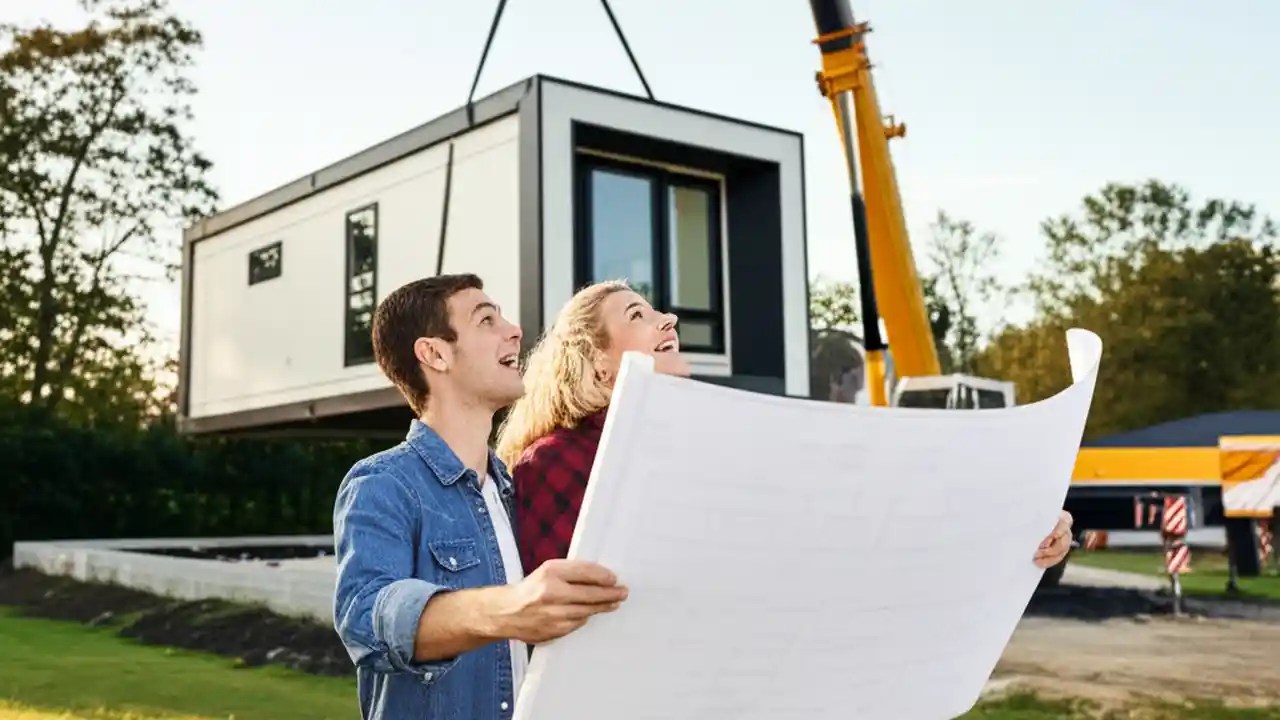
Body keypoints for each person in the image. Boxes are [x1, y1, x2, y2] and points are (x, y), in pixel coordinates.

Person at [494, 279, 1076, 575]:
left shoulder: (713, 450)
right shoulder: (554, 462)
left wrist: (1021, 526)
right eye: (638, 315)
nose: (668, 317)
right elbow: (557, 624)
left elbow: (863, 523)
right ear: (597, 360)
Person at [332, 273, 628, 720]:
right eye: (486, 319)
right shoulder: (383, 483)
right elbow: (366, 615)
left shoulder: (516, 489)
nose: (514, 330)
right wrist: (508, 609)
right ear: (435, 353)